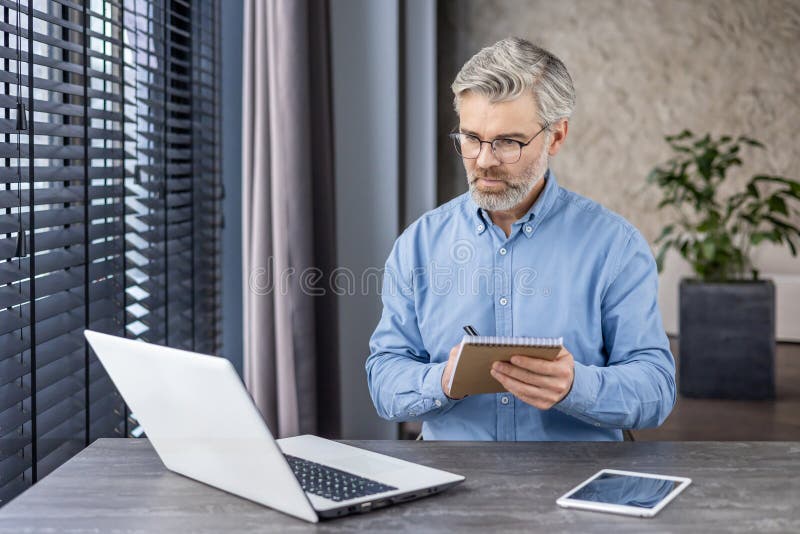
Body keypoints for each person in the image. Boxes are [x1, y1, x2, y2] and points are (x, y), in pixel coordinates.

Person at [365, 37, 676, 440]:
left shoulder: (615, 246)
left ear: (557, 137)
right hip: (452, 486)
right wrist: (441, 381)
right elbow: (384, 380)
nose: (484, 160)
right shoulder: (418, 244)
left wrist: (575, 386)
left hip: (576, 483)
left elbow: (657, 387)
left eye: (508, 142)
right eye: (471, 138)